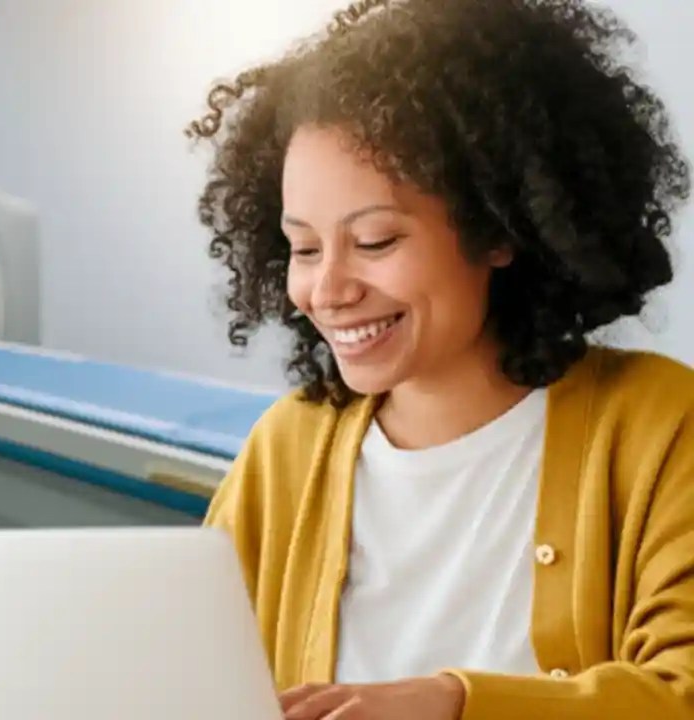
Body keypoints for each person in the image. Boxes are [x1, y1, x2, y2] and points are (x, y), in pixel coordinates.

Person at [187, 0, 694, 718]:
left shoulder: (661, 425)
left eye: (375, 241)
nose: (328, 290)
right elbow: (192, 681)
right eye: (304, 248)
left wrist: (452, 703)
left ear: (500, 231)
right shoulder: (286, 448)